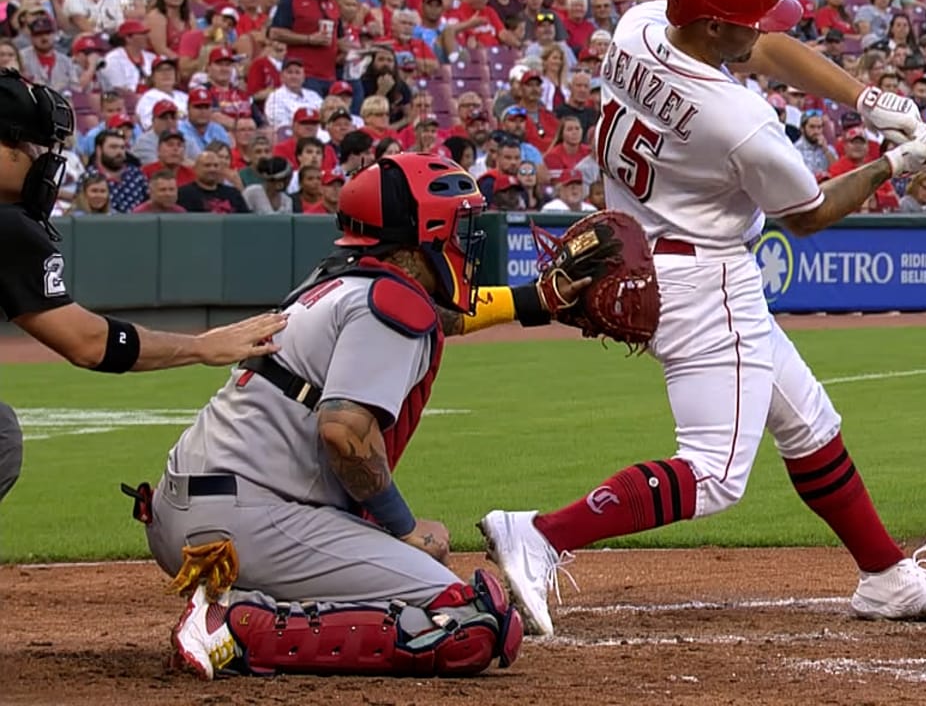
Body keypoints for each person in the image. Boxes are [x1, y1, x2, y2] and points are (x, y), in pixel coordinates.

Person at [478, 0, 926, 638]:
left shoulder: (639, 29)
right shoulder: (739, 122)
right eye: (745, 18)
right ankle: (538, 533)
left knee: (808, 422)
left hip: (646, 250)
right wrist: (896, 160)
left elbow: (766, 50)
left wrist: (866, 100)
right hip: (705, 278)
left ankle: (885, 575)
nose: (760, 28)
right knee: (713, 474)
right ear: (714, 26)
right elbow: (807, 217)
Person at [144, 153, 596, 679]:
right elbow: (343, 432)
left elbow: (442, 317)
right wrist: (403, 528)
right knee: (467, 620)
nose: (468, 239)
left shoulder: (338, 283)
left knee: (429, 594)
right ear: (419, 235)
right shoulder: (391, 303)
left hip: (192, 508)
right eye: (458, 225)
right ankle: (234, 630)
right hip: (246, 522)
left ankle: (249, 601)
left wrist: (536, 300)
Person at [0, 69, 284, 506]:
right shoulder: (7, 225)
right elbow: (89, 343)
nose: (42, 158)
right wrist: (201, 347)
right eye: (30, 145)